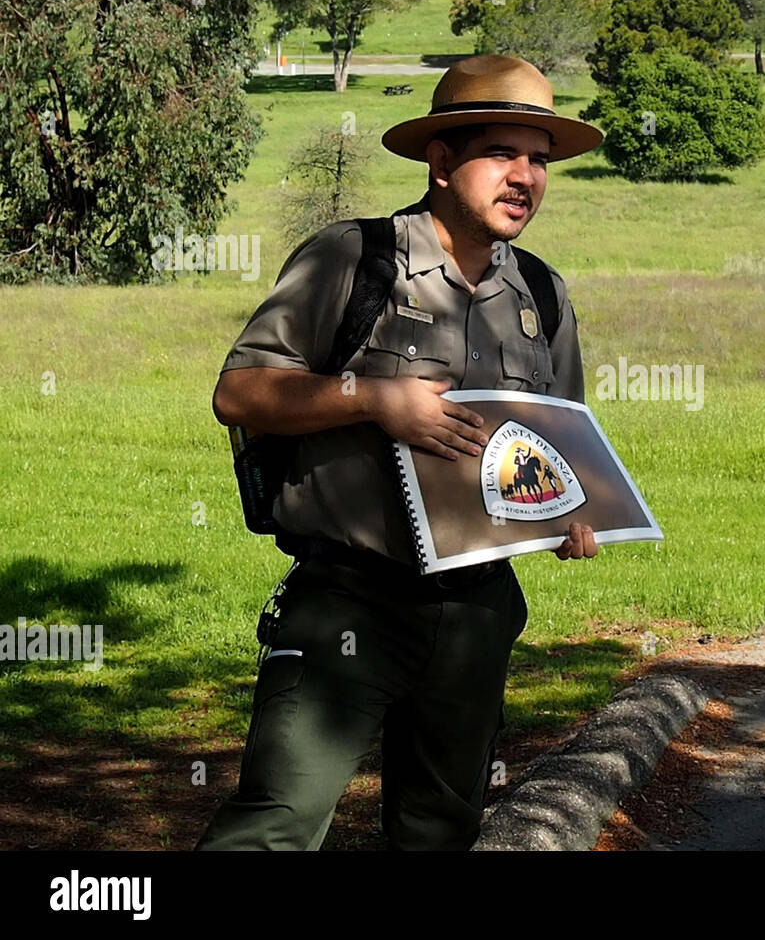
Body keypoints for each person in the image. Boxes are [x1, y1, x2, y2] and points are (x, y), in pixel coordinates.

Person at [195, 55, 604, 850]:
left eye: (541, 160)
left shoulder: (544, 296)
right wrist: (373, 399)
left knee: (440, 830)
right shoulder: (354, 259)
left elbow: (559, 443)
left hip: (480, 609)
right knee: (275, 827)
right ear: (442, 161)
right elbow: (238, 393)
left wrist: (573, 511)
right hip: (351, 598)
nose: (526, 177)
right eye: (504, 154)